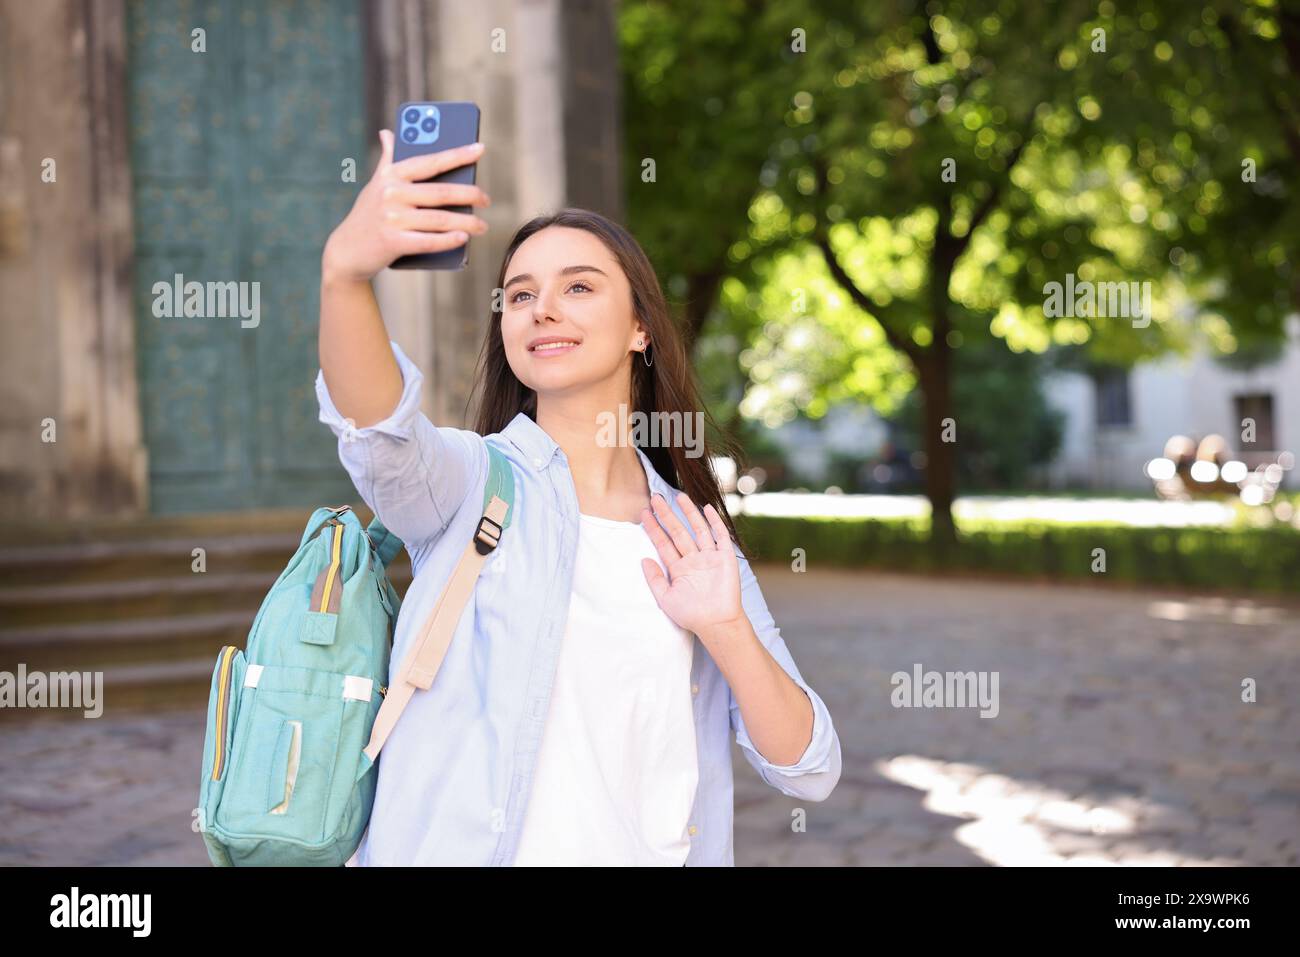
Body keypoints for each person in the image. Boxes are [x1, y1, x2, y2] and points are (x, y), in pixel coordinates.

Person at [317, 130, 841, 866]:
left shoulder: (690, 535)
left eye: (579, 286)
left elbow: (810, 766)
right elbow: (379, 435)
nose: (542, 308)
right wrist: (344, 277)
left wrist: (724, 626)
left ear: (640, 329)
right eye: (521, 293)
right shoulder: (469, 486)